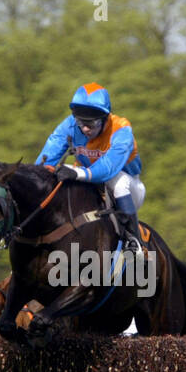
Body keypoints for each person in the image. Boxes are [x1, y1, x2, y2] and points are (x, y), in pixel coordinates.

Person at [35, 83, 145, 253]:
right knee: (54, 173)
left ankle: (134, 240)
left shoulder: (121, 128)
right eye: (80, 122)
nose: (85, 129)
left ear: (105, 118)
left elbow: (109, 167)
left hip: (128, 187)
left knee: (117, 181)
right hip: (89, 183)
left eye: (91, 123)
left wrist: (77, 172)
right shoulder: (70, 125)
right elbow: (47, 157)